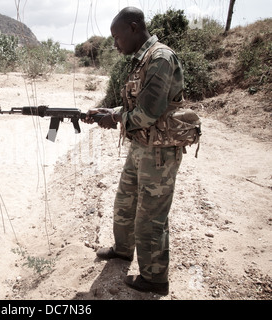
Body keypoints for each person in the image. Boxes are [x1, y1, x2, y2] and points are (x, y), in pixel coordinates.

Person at [83, 7, 186, 296]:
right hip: (142, 145)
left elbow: (149, 113)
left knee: (150, 217)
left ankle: (154, 278)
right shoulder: (141, 60)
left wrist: (114, 119)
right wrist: (108, 110)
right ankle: (123, 250)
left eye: (117, 37)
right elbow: (133, 108)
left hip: (160, 150)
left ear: (133, 28)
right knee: (125, 201)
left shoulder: (160, 58)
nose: (115, 44)